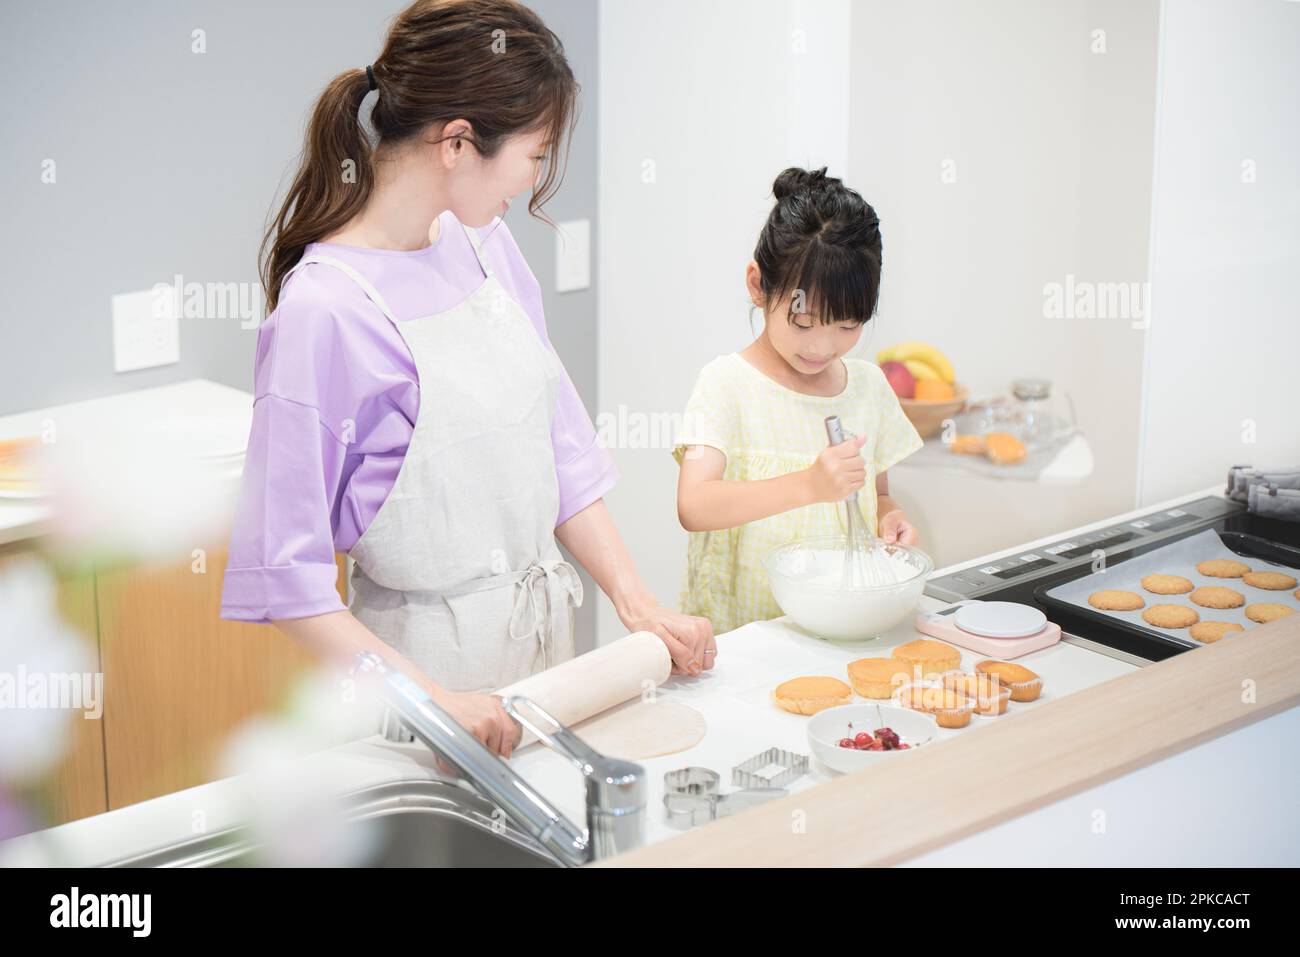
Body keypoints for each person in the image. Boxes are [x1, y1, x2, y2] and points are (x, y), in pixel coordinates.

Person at [221, 0, 713, 758]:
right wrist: (431, 701)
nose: (537, 178)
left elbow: (562, 451)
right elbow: (287, 578)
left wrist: (637, 603)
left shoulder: (485, 247)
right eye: (535, 153)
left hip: (544, 673)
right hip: (418, 697)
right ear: (456, 143)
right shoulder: (324, 311)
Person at [673, 166, 923, 636]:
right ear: (758, 285)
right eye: (803, 323)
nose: (822, 346)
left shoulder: (868, 388)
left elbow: (878, 495)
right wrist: (809, 484)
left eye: (847, 326)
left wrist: (892, 519)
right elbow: (695, 505)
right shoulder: (727, 385)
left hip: (842, 630)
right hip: (743, 640)